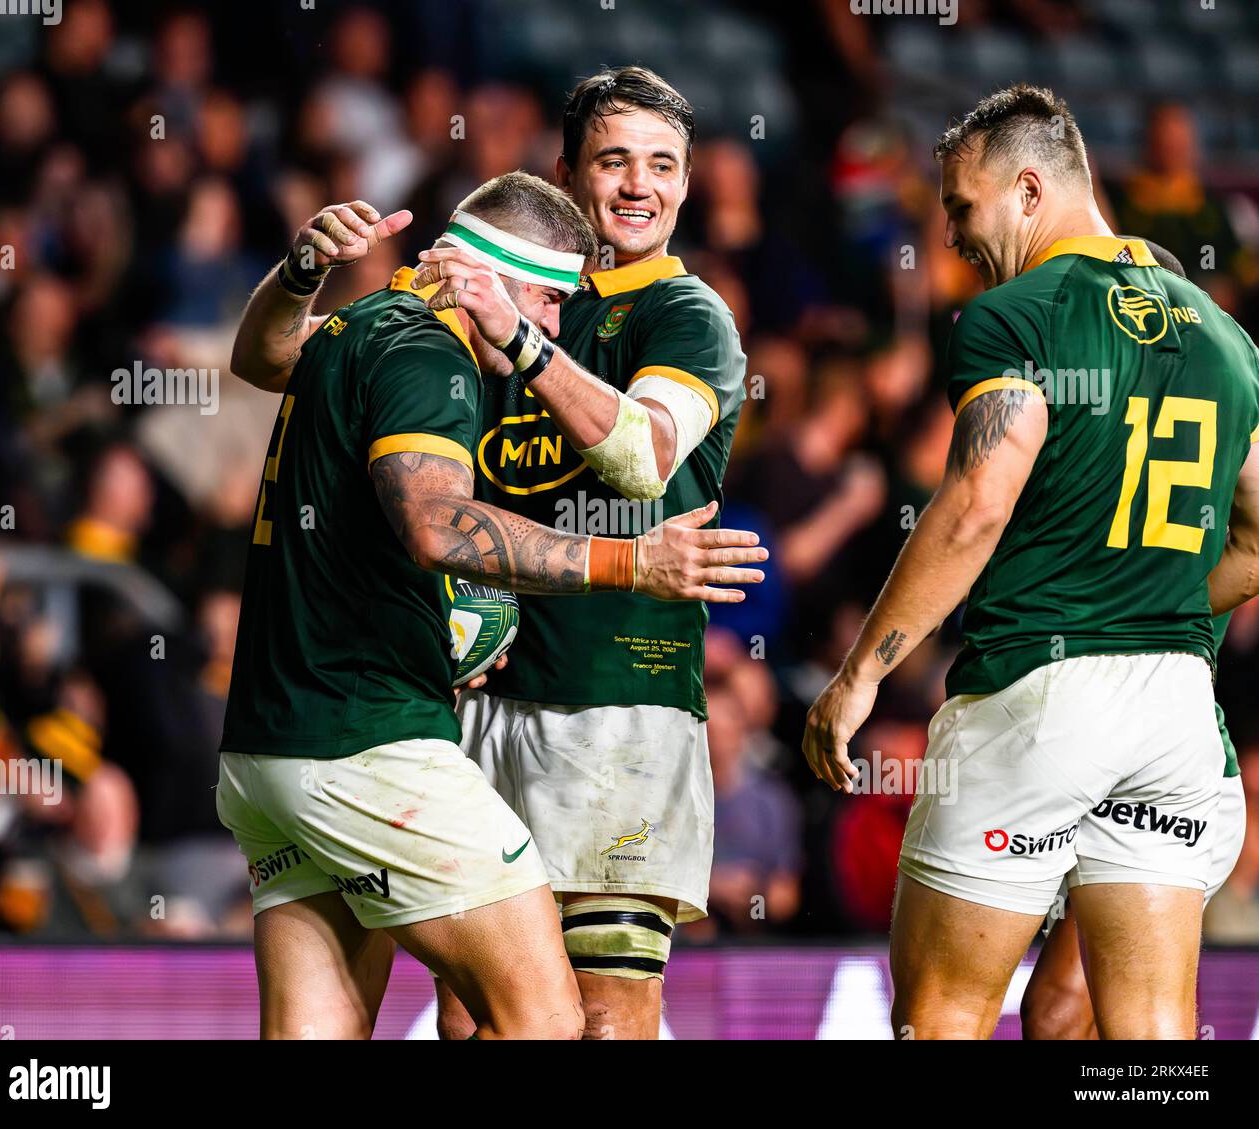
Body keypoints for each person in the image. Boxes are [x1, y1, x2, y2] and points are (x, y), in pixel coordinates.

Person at [217, 171, 766, 1039]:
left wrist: (297, 271)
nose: (552, 325)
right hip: (369, 743)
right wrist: (631, 561)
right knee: (545, 1019)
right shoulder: (428, 350)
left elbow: (260, 360)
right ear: (491, 278)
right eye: (548, 298)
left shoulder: (362, 325)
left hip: (266, 754)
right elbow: (437, 526)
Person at [801, 84, 1259, 1039]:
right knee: (1149, 1035)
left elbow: (975, 501)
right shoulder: (1228, 337)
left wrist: (861, 674)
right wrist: (1156, 605)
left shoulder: (1016, 314)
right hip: (1176, 713)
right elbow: (1258, 536)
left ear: (1027, 189)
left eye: (963, 208)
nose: (957, 235)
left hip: (1039, 699)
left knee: (940, 1016)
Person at [426, 67, 748, 1039]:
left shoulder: (687, 318)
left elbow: (644, 453)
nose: (639, 186)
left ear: (687, 185)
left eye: (662, 165)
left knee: (607, 1013)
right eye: (614, 161)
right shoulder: (500, 303)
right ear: (566, 176)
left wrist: (519, 339)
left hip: (621, 708)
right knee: (471, 1015)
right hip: (483, 701)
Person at [1020, 241, 1249, 1040]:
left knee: (1084, 1015)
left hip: (1161, 760)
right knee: (1071, 1015)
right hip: (1108, 748)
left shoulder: (1100, 432)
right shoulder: (1209, 411)